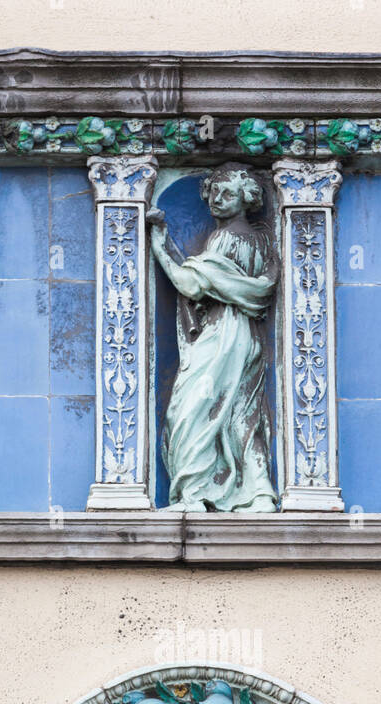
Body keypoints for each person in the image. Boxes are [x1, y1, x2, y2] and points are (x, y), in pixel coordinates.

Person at [147, 164, 279, 512]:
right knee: (241, 413)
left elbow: (191, 284)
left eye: (228, 194)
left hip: (222, 336)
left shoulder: (226, 239)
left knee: (192, 409)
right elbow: (260, 288)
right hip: (248, 339)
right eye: (214, 193)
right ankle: (259, 493)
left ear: (245, 199)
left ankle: (193, 494)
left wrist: (161, 247)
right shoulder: (263, 239)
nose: (217, 200)